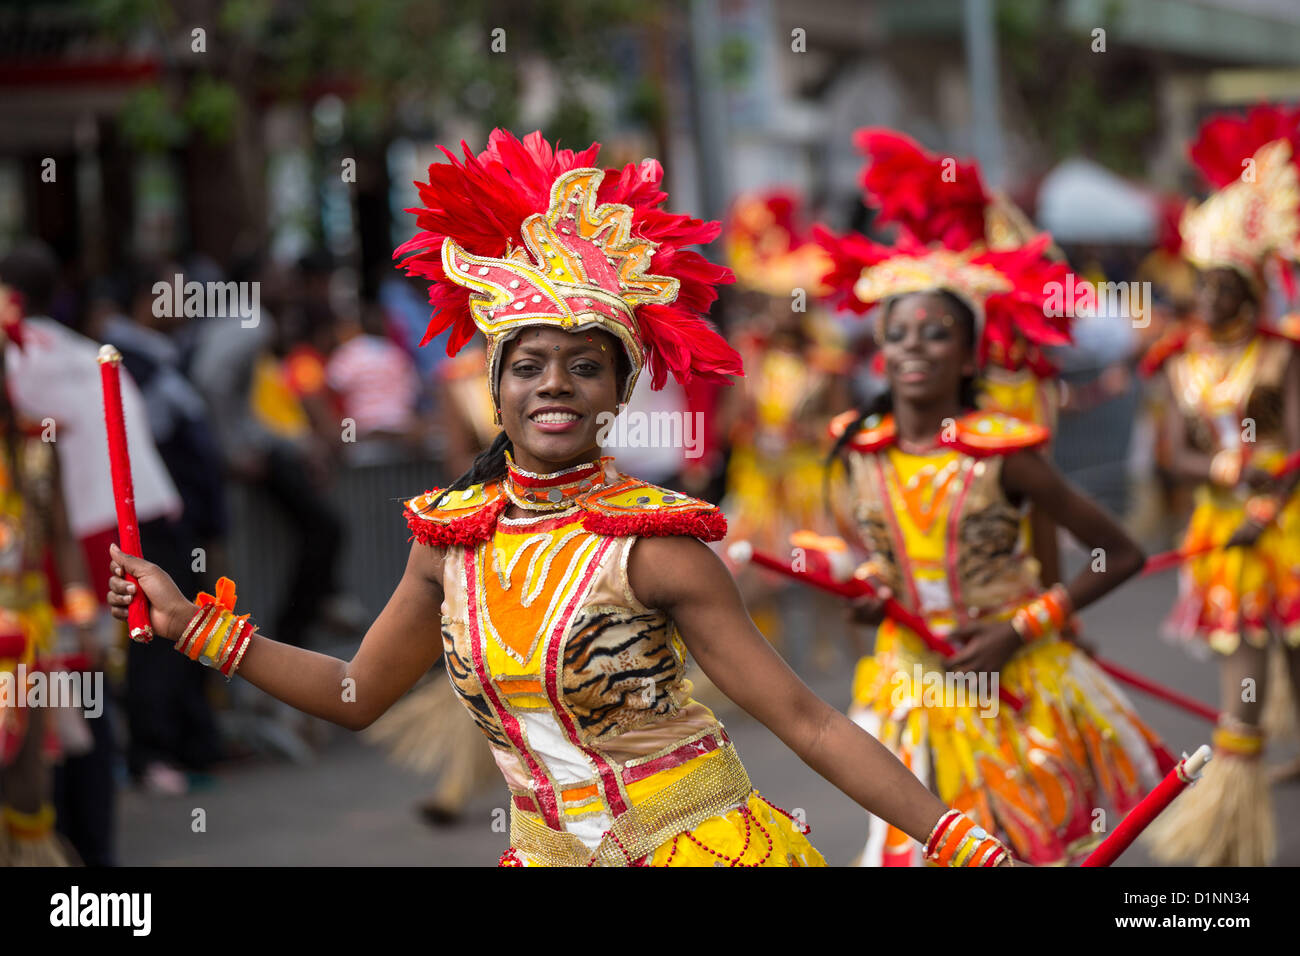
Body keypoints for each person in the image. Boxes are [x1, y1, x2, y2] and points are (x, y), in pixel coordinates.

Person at [106, 129, 1017, 867]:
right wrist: (191, 626)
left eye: (585, 368)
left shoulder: (656, 544)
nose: (556, 387)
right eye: (530, 366)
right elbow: (353, 692)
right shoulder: (449, 542)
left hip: (695, 848)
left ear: (617, 393)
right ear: (493, 386)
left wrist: (959, 841)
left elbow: (808, 721)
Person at [815, 174, 1168, 866]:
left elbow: (1119, 554)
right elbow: (879, 561)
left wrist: (1023, 628)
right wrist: (872, 596)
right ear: (880, 350)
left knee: (1025, 847)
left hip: (1012, 684)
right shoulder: (857, 450)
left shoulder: (1006, 456)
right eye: (899, 332)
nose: (915, 346)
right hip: (912, 688)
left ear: (971, 354)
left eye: (937, 333)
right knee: (928, 850)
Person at [1143, 105, 1300, 867]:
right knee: (1246, 657)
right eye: (1199, 284)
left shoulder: (1281, 357)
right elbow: (1172, 454)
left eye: (1220, 286)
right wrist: (1230, 473)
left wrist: (1270, 497)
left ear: (1247, 291)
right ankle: (1231, 820)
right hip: (1223, 532)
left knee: (1294, 652)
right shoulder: (1177, 364)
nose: (1205, 298)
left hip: (1289, 524)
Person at [715, 191, 852, 672]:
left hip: (808, 478)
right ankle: (759, 657)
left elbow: (842, 422)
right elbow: (727, 422)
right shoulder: (749, 353)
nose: (779, 310)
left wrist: (807, 434)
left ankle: (831, 646)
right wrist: (749, 427)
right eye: (771, 300)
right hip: (758, 480)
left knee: (823, 565)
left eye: (787, 301)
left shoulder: (825, 358)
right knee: (745, 565)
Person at [0, 282, 97, 865]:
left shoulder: (38, 444)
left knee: (28, 782)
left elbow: (61, 538)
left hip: (27, 634)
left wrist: (83, 618)